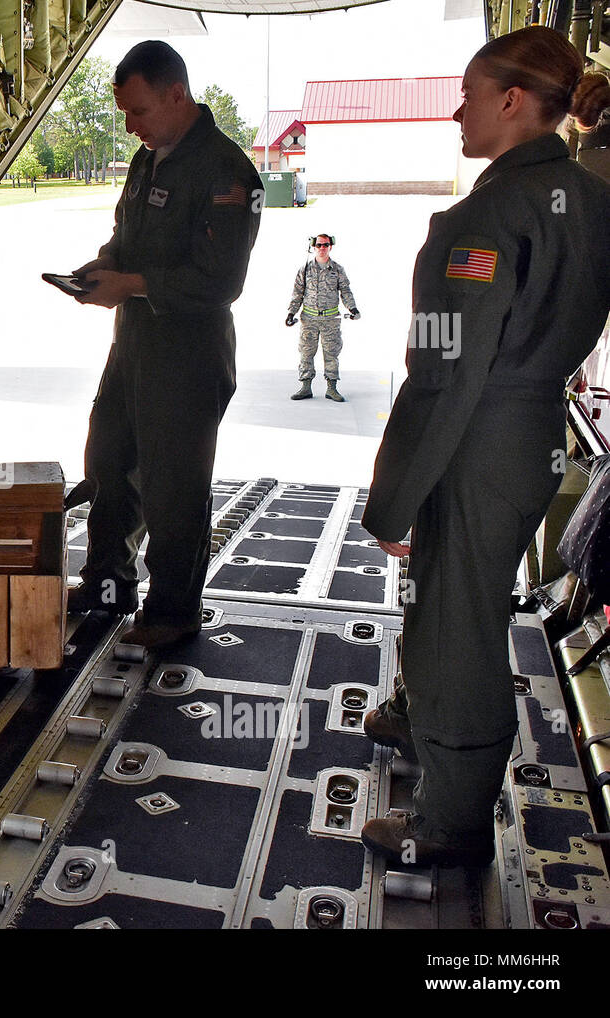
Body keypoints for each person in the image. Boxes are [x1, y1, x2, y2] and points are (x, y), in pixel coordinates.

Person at [361, 26, 610, 867]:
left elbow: (443, 375)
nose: (454, 110)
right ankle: (412, 710)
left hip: (476, 437)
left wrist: (392, 498)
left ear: (511, 101)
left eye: (467, 94)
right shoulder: (590, 197)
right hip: (533, 431)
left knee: (456, 628)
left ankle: (449, 820)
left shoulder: (486, 216)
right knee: (458, 596)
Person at [66, 40, 261, 649]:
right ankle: (108, 583)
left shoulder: (228, 172)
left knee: (174, 484)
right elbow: (127, 237)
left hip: (188, 355)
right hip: (135, 347)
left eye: (139, 112)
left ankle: (174, 609)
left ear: (177, 94)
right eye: (125, 114)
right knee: (108, 461)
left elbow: (221, 280)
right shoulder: (147, 159)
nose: (131, 126)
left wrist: (133, 285)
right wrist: (103, 269)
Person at [284, 233, 359, 402]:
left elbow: (345, 291)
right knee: (306, 353)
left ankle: (332, 388)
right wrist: (291, 313)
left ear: (330, 246)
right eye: (319, 245)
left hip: (330, 320)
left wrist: (353, 308)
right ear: (313, 247)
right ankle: (305, 387)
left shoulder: (338, 270)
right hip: (308, 319)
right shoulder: (305, 269)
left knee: (331, 353)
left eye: (325, 245)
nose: (322, 248)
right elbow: (297, 294)